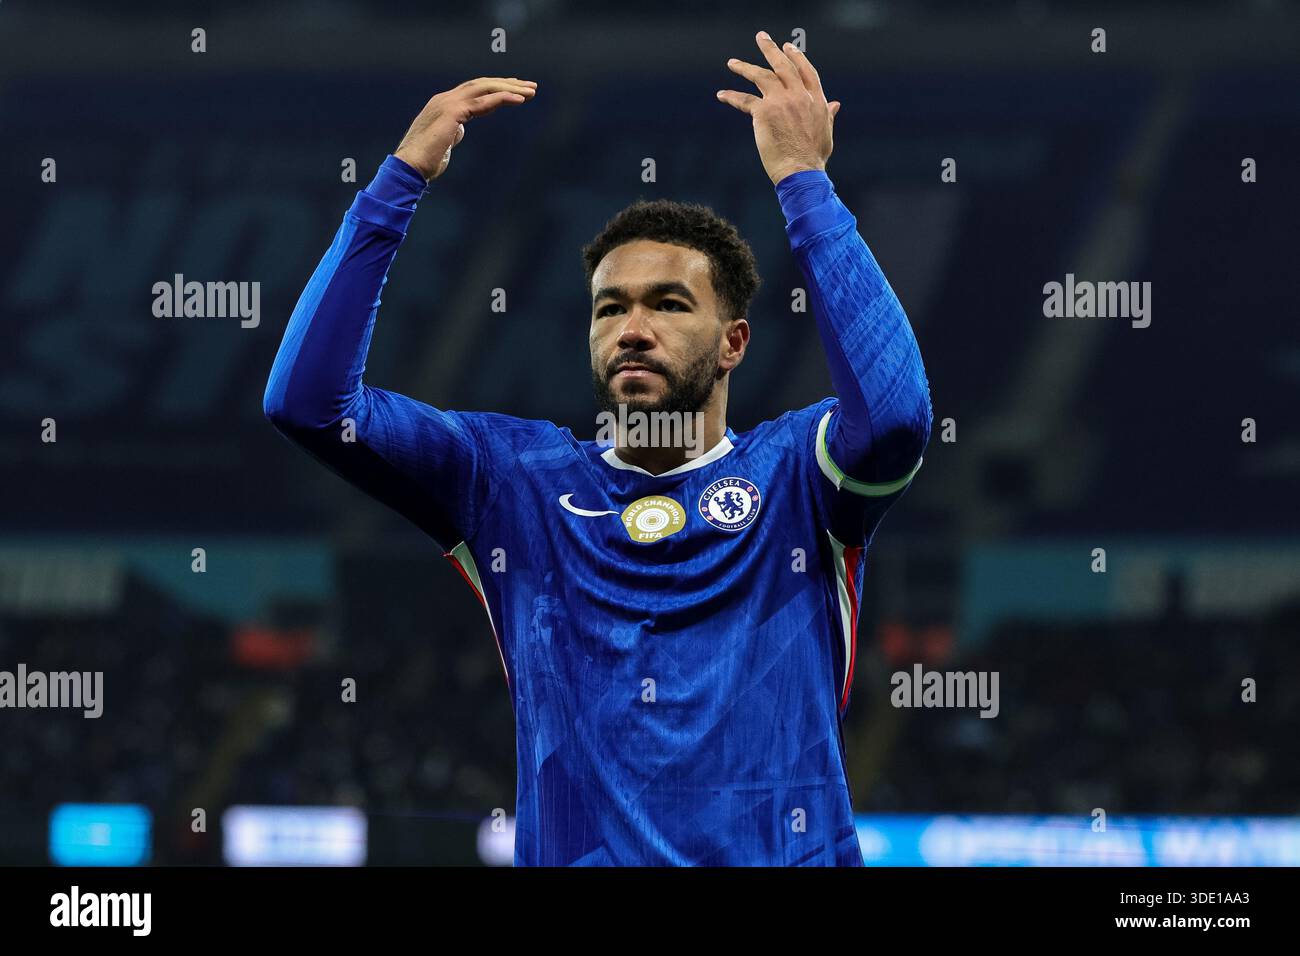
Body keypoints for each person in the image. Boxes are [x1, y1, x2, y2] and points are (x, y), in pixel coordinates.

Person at [264, 32, 932, 865]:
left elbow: (900, 417)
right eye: (609, 309)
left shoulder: (800, 475)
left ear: (733, 342)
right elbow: (308, 405)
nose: (633, 331)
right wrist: (393, 190)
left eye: (668, 305)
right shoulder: (512, 481)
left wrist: (806, 185)